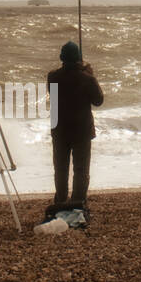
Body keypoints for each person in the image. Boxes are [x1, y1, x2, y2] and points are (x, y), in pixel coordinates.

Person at [46, 40, 103, 216]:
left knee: (61, 169)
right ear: (78, 58)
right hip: (82, 131)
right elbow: (98, 100)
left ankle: (61, 201)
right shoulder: (87, 78)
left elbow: (53, 93)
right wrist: (89, 74)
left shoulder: (53, 76)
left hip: (60, 130)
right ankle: (78, 202)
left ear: (62, 58)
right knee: (81, 169)